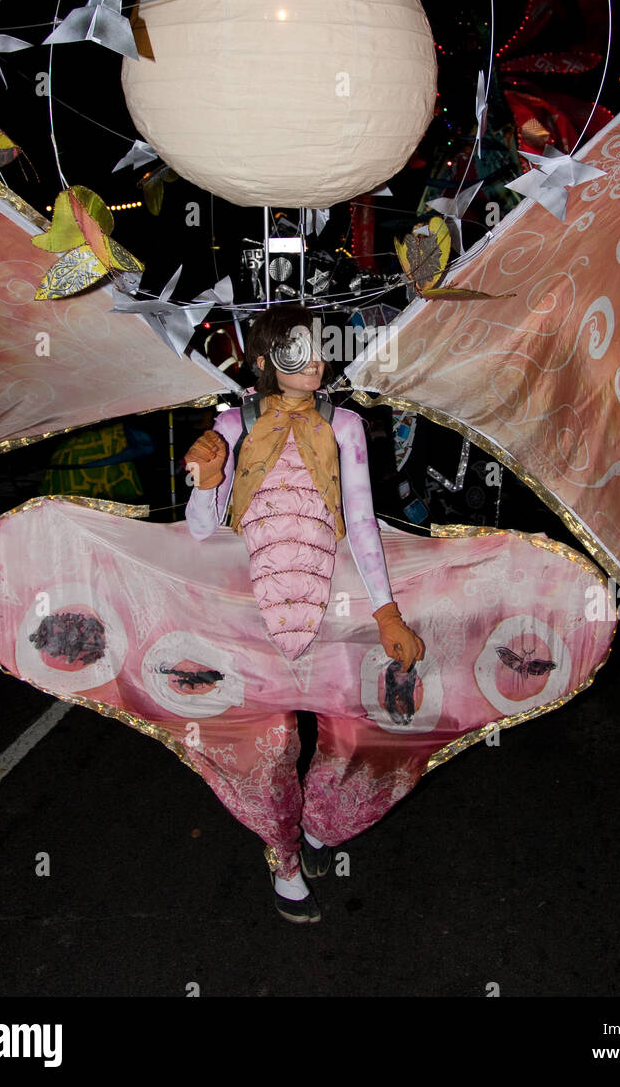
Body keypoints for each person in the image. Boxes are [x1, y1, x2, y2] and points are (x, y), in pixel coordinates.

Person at [184, 304, 425, 923]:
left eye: (319, 347)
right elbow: (203, 533)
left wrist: (387, 612)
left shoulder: (344, 425)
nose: (317, 359)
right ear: (264, 362)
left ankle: (316, 831)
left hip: (330, 601)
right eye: (298, 349)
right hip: (252, 612)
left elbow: (363, 521)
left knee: (354, 733)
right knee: (267, 747)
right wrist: (206, 479)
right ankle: (284, 859)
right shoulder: (230, 425)